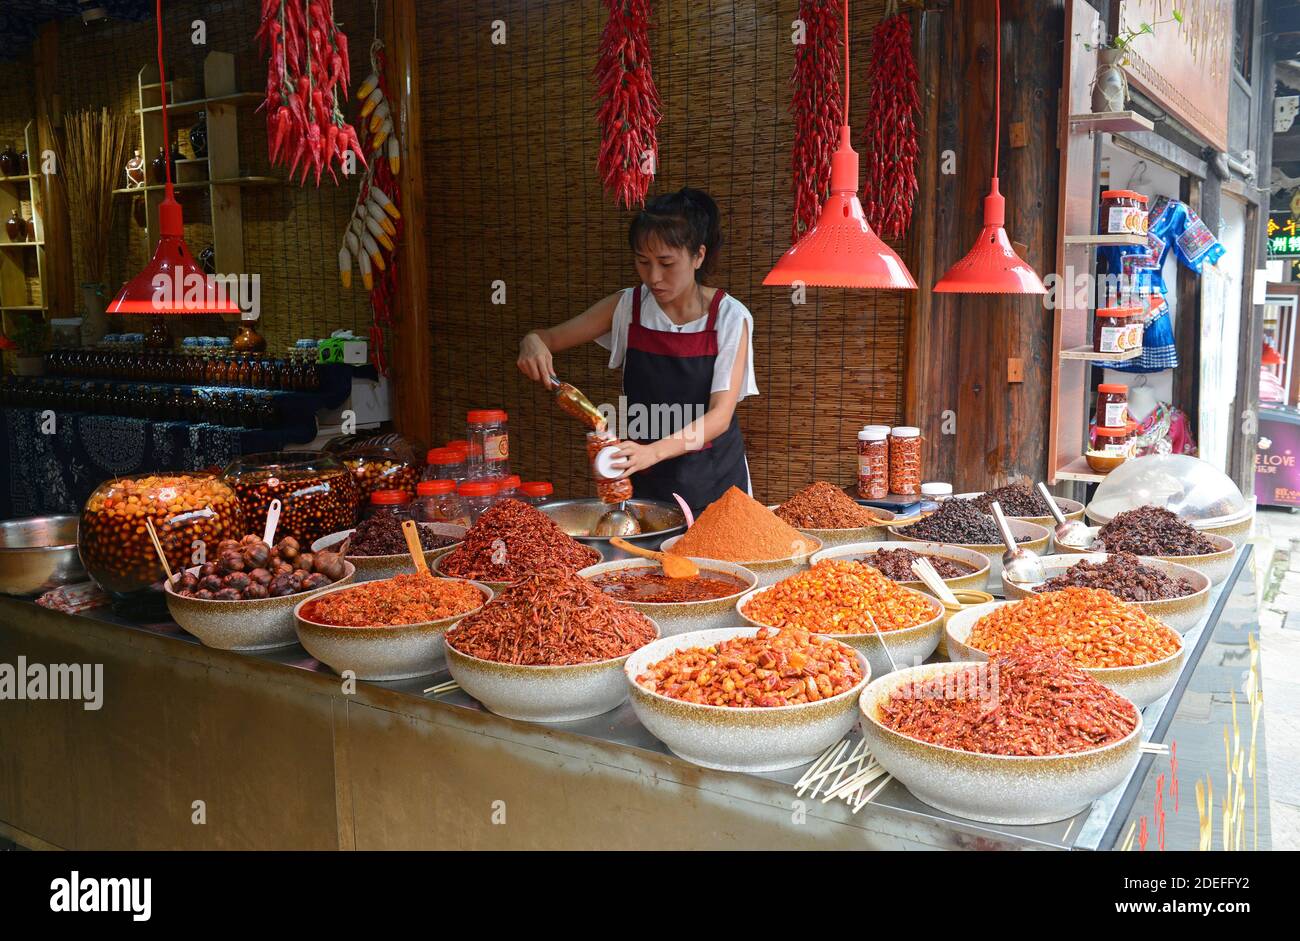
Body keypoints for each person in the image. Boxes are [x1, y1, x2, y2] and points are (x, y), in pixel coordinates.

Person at [517, 187, 758, 515]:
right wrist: (532, 341)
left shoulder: (729, 317)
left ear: (699, 256)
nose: (654, 277)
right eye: (643, 262)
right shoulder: (628, 306)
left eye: (666, 263)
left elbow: (719, 417)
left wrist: (653, 451)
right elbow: (547, 338)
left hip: (714, 481)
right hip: (646, 481)